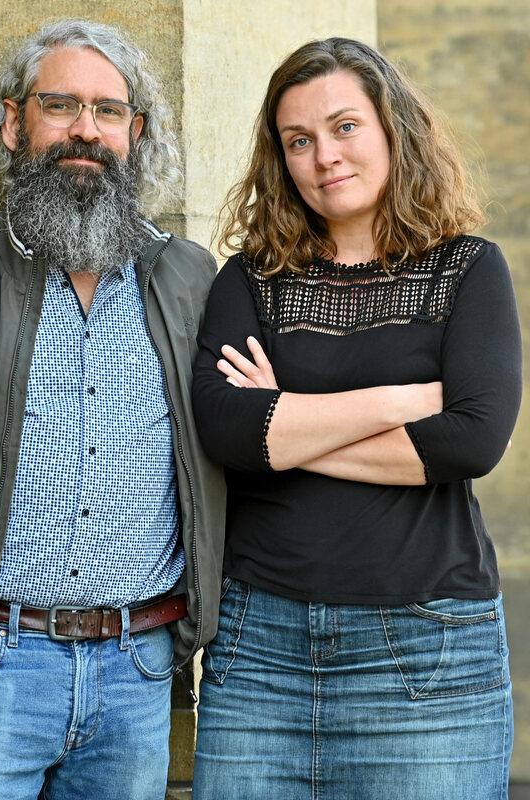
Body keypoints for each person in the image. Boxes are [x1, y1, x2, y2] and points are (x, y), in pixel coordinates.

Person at [0, 19, 225, 799]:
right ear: (14, 122)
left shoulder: (192, 281)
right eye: (61, 105)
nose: (86, 129)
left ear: (134, 134)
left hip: (138, 673)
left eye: (109, 111)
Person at [190, 37, 521, 799]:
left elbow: (472, 437)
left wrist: (289, 424)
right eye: (298, 140)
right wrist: (405, 403)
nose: (323, 157)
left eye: (345, 127)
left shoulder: (466, 269)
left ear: (393, 130)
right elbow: (226, 430)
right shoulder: (252, 280)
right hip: (259, 655)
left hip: (426, 653)